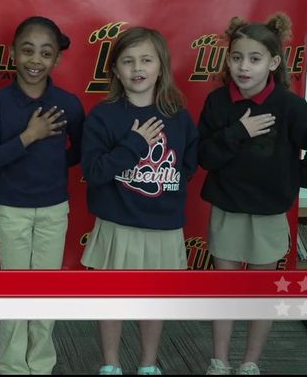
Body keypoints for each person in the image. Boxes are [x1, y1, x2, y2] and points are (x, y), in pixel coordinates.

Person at [199, 14, 307, 376]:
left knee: (262, 292)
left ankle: (251, 362)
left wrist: (292, 182)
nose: (244, 67)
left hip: (269, 213)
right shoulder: (217, 103)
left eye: (255, 59)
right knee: (225, 292)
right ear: (228, 60)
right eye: (237, 57)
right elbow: (204, 156)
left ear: (273, 63)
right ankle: (219, 360)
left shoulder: (289, 106)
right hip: (227, 208)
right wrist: (238, 131)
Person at [80, 27, 198, 376]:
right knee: (111, 299)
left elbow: (187, 165)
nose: (137, 68)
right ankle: (110, 363)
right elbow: (95, 170)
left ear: (161, 66)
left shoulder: (179, 116)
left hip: (162, 226)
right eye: (128, 61)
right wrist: (133, 144)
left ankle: (148, 362)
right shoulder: (104, 116)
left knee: (154, 300)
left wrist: (159, 187)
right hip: (117, 223)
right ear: (115, 69)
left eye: (146, 59)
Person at [0, 16, 84, 375]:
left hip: (54, 209)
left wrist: (51, 166)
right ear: (12, 54)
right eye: (27, 51)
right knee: (15, 288)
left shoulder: (68, 104)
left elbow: (78, 152)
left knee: (45, 289)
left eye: (45, 52)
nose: (35, 60)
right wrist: (29, 136)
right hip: (13, 211)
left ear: (56, 59)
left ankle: (40, 364)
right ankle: (11, 365)